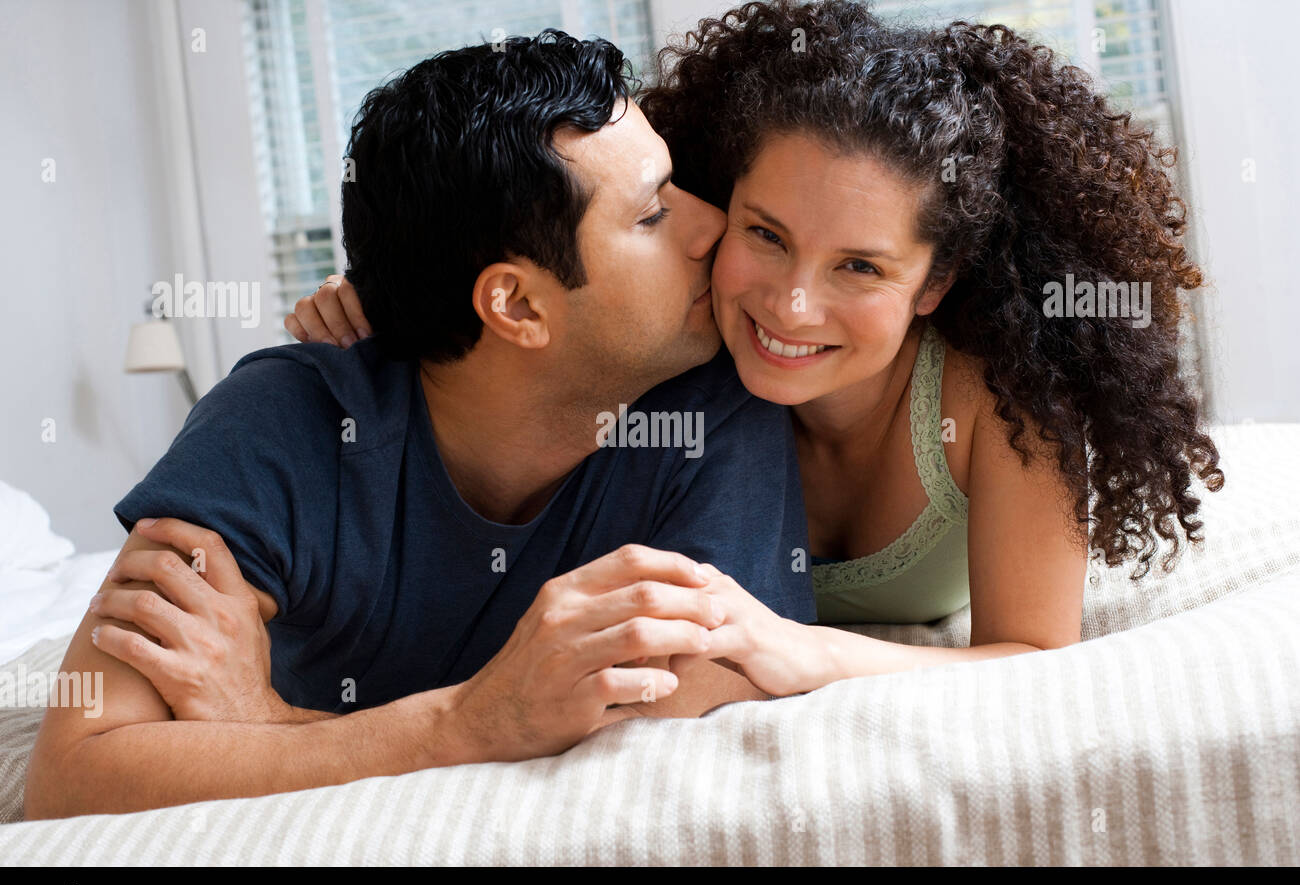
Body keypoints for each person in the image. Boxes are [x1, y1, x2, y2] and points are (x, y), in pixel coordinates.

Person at [295, 0, 1224, 698]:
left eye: (860, 265)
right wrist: (390, 304)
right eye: (766, 234)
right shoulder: (673, 348)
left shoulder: (1004, 401)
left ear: (933, 287)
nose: (790, 303)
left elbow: (1033, 662)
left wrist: (798, 647)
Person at [23, 31, 816, 820]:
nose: (713, 225)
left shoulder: (716, 402)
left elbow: (707, 700)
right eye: (652, 215)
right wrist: (463, 725)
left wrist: (270, 726)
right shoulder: (279, 424)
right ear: (517, 305)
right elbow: (74, 778)